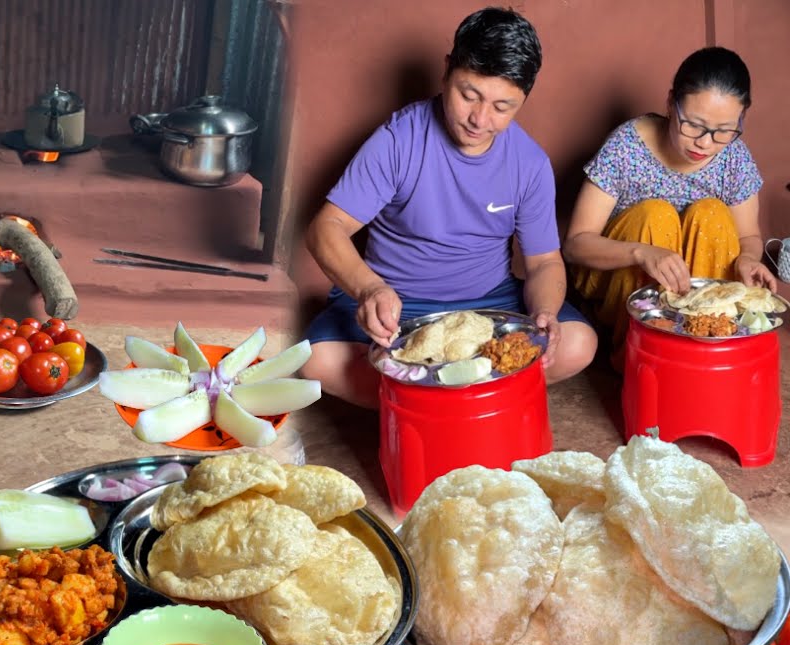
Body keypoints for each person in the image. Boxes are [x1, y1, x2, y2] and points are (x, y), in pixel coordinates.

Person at [300, 7, 596, 408]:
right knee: (317, 361)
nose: (479, 119)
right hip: (395, 305)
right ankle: (472, 401)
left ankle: (428, 403)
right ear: (446, 71)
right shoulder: (398, 140)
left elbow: (544, 262)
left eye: (502, 107)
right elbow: (325, 228)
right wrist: (370, 289)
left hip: (489, 304)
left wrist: (545, 313)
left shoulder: (530, 163)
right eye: (468, 95)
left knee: (578, 344)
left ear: (522, 100)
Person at [564, 46, 776, 347]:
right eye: (693, 125)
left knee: (712, 212)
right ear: (670, 103)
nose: (705, 143)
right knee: (655, 215)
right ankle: (640, 346)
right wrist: (641, 253)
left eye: (724, 130)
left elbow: (748, 237)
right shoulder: (627, 147)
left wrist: (748, 259)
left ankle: (705, 338)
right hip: (618, 288)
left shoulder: (734, 158)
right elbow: (576, 245)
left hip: (697, 288)